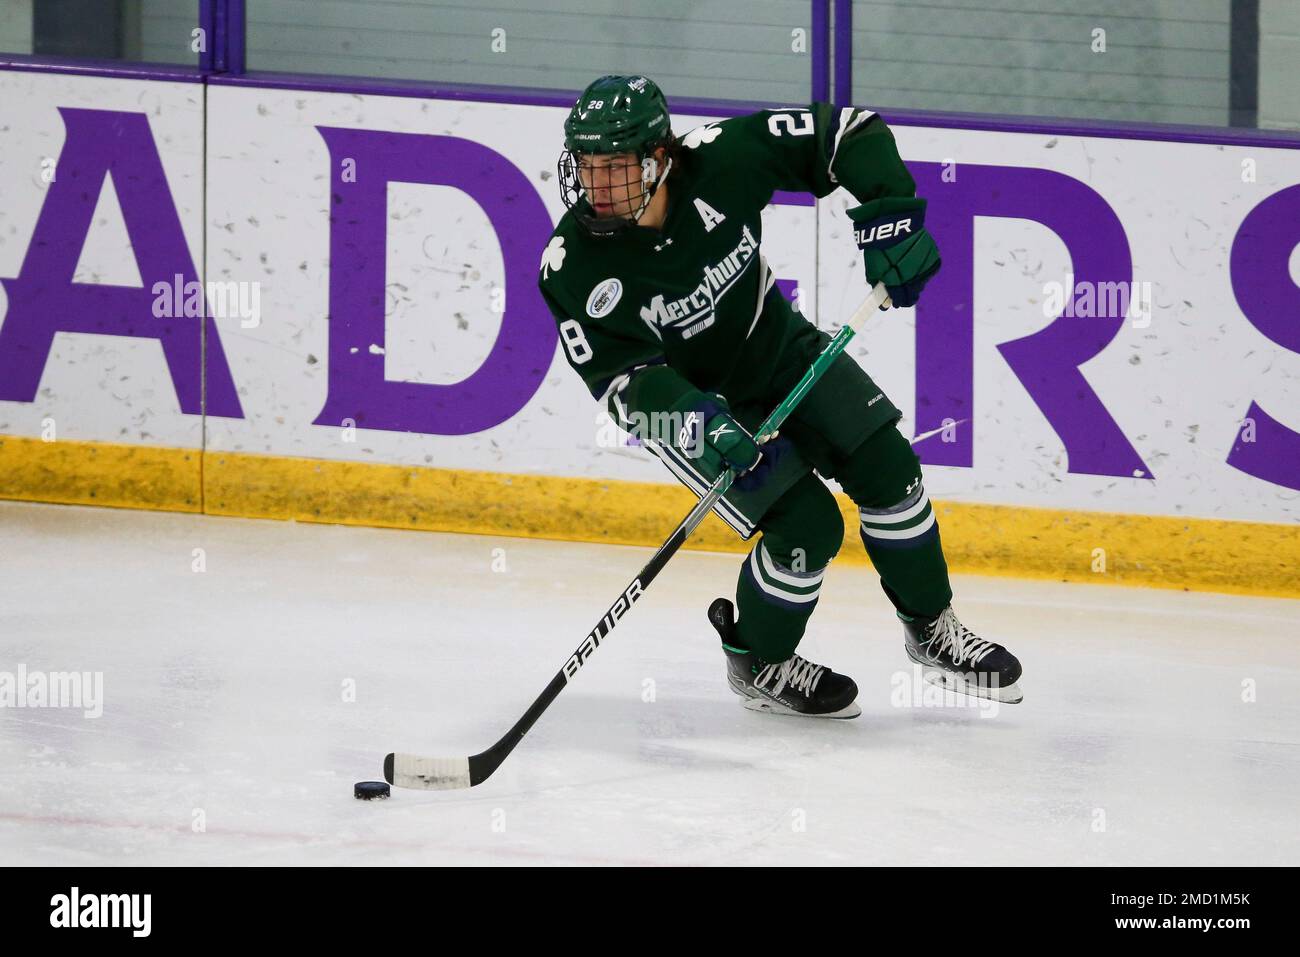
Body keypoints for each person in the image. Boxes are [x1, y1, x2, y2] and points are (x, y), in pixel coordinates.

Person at [537, 75, 1022, 717]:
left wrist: (890, 217)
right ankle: (761, 661)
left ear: (660, 158)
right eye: (588, 166)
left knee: (889, 470)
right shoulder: (571, 266)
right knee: (806, 527)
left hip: (780, 347)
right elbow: (625, 385)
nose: (596, 187)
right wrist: (702, 425)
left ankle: (933, 630)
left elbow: (847, 132)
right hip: (699, 406)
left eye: (616, 167)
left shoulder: (722, 157)